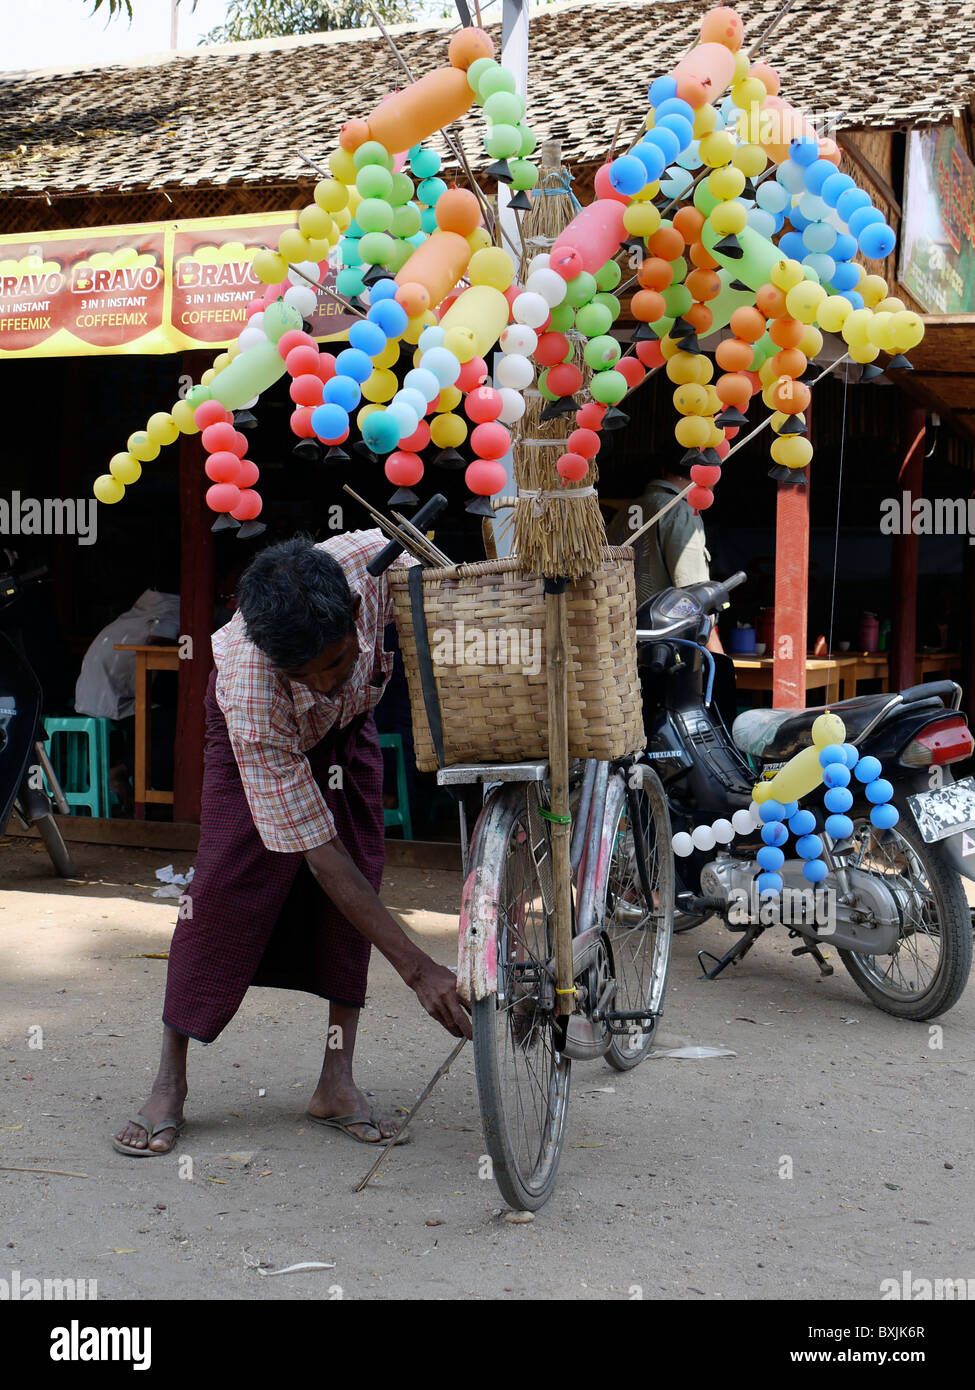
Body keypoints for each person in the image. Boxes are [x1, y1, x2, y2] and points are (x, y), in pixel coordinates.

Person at [113, 529, 470, 1157]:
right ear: (276, 660)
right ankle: (169, 1081)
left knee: (362, 871)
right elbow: (316, 852)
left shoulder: (370, 565)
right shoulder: (252, 687)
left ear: (357, 613)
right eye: (310, 675)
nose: (330, 681)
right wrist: (418, 970)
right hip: (259, 738)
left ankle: (337, 1083)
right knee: (222, 889)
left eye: (339, 662)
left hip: (348, 731)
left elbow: (445, 582)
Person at [608, 454, 724, 653]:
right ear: (706, 474)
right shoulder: (680, 510)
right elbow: (695, 598)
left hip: (616, 638)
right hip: (661, 645)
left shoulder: (625, 510)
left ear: (663, 471)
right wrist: (719, 658)